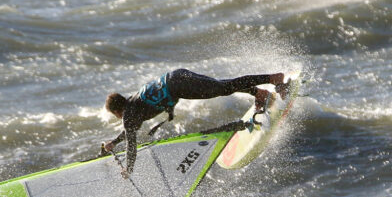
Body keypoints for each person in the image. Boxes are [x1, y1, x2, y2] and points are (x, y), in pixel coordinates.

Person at [102, 69, 288, 178]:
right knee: (221, 86)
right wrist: (115, 142)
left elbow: (131, 145)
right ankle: (259, 93)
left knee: (223, 87)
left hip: (177, 85)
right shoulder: (133, 105)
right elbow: (129, 132)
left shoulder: (129, 115)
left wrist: (129, 169)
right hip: (176, 75)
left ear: (117, 112)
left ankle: (272, 79)